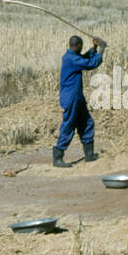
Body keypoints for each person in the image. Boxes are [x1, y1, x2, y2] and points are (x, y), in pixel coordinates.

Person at [54, 34, 105, 167]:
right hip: (71, 98)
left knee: (87, 122)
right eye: (81, 46)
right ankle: (58, 157)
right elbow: (90, 63)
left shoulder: (71, 57)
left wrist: (94, 47)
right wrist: (102, 49)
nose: (82, 49)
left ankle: (89, 155)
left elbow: (84, 58)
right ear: (76, 46)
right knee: (69, 125)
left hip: (77, 97)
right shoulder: (71, 59)